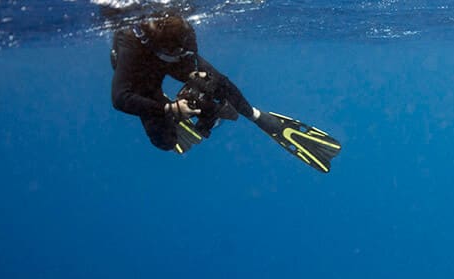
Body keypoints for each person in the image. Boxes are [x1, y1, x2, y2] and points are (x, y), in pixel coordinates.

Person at [110, 13, 341, 172]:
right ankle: (173, 105)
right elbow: (120, 99)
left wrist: (198, 73)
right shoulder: (131, 45)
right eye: (181, 55)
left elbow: (219, 79)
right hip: (142, 75)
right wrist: (168, 108)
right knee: (165, 142)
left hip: (169, 54)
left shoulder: (182, 36)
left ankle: (241, 114)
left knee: (215, 83)